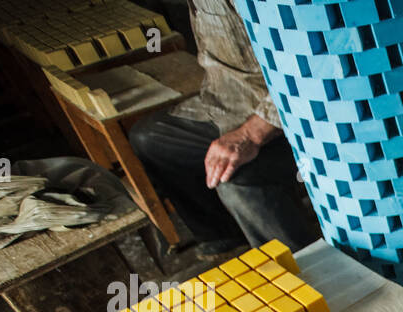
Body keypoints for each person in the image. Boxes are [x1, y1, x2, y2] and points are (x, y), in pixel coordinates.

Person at [129, 0, 317, 254]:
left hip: (294, 115)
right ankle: (226, 238)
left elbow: (309, 66)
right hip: (225, 101)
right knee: (150, 138)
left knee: (236, 179)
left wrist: (249, 134)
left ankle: (303, 267)